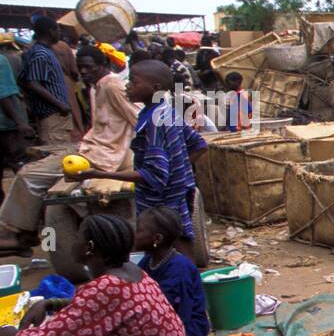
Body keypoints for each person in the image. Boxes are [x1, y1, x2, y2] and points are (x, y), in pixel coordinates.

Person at [0, 214, 191, 336]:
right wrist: (51, 303)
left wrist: (7, 332)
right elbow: (102, 311)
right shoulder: (131, 271)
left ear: (89, 247)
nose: (74, 243)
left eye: (77, 238)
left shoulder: (107, 287)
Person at [0, 45, 137, 256]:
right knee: (32, 172)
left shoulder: (112, 86)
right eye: (80, 67)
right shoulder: (95, 87)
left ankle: (17, 233)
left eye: (88, 67)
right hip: (90, 149)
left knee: (28, 175)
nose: (83, 72)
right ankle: (24, 232)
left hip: (102, 156)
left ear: (103, 65)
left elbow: (138, 118)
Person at [70, 60, 206, 242]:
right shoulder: (162, 112)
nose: (127, 85)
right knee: (175, 245)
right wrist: (178, 171)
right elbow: (199, 145)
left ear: (155, 88)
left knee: (167, 247)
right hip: (174, 196)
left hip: (161, 203)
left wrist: (100, 173)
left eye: (134, 82)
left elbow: (153, 176)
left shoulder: (155, 123)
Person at [135, 206, 209, 336]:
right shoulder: (148, 261)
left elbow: (181, 313)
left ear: (157, 239)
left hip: (187, 330)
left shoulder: (179, 268)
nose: (134, 234)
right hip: (161, 324)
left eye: (139, 230)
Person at [19, 16, 74, 148]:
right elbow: (33, 83)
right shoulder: (41, 54)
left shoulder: (42, 51)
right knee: (56, 150)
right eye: (58, 30)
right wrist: (60, 104)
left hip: (53, 114)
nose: (59, 34)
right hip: (52, 114)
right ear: (51, 32)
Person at [0, 45, 34, 196]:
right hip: (7, 125)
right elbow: (4, 94)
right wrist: (21, 122)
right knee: (21, 167)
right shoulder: (2, 61)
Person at [50, 30, 86, 140]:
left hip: (50, 86)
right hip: (68, 83)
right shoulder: (63, 47)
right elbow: (74, 71)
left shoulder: (37, 47)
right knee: (75, 115)